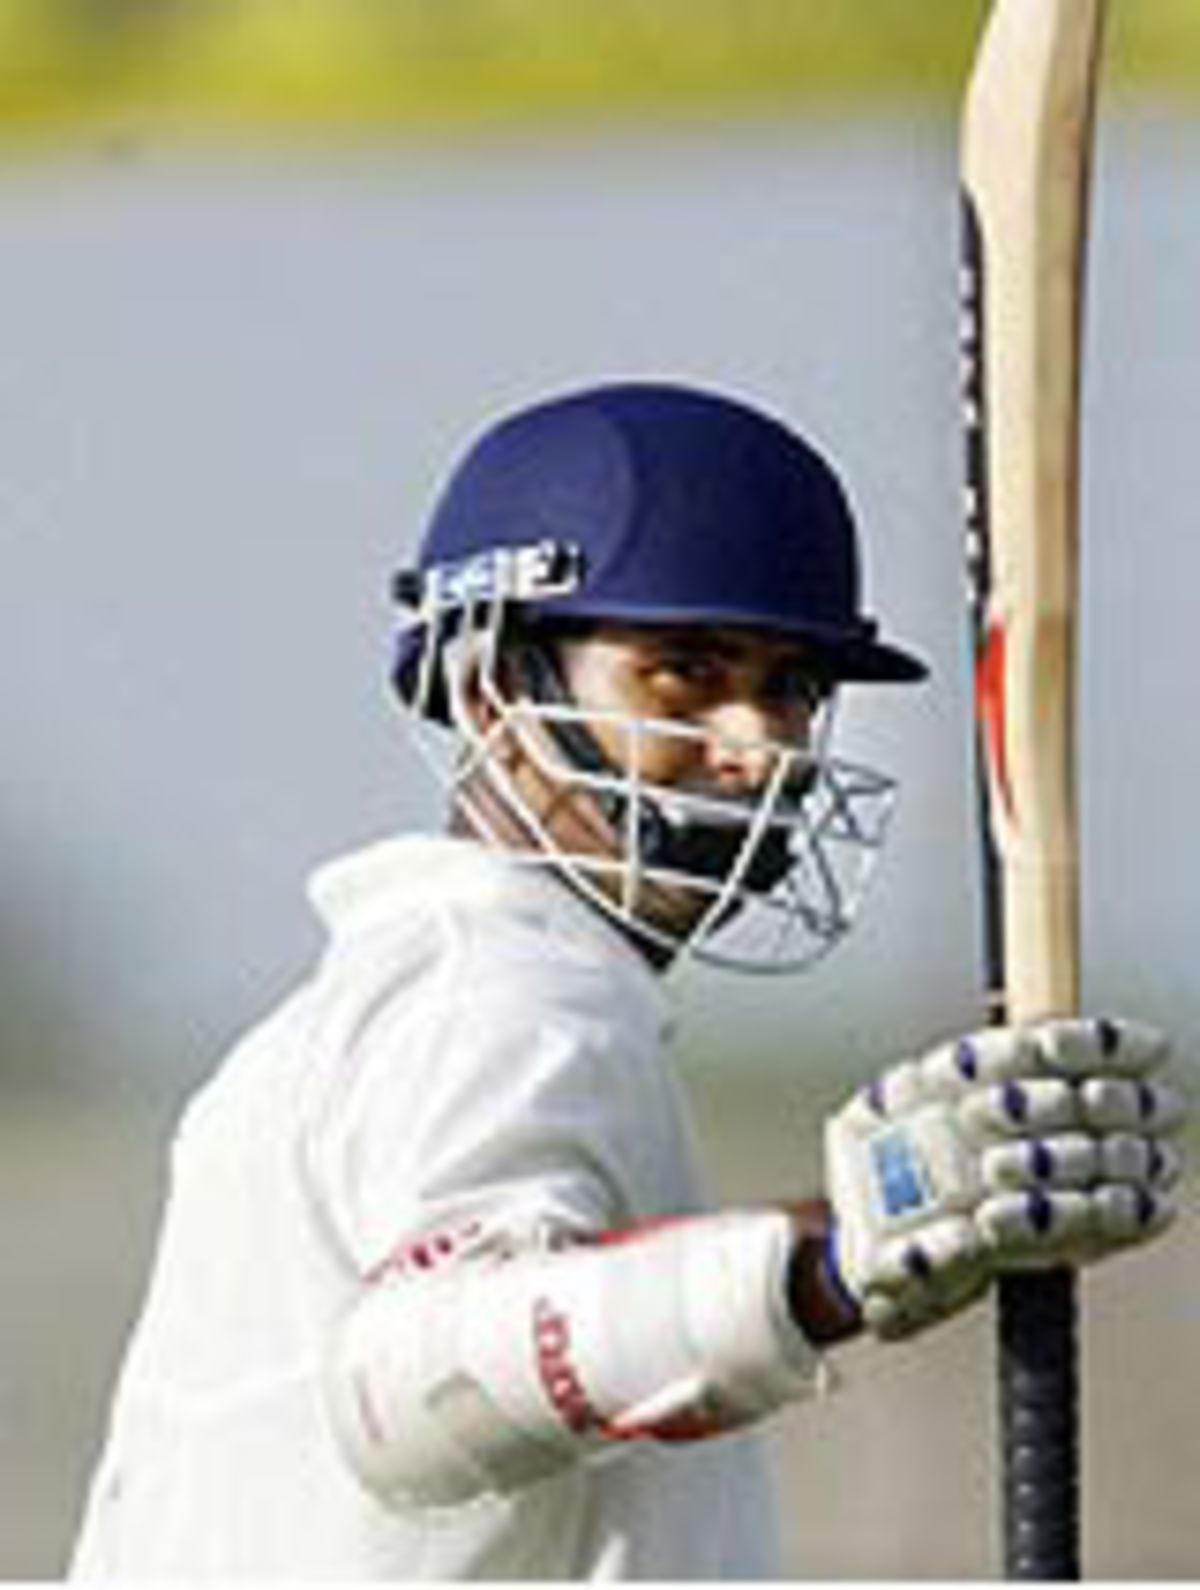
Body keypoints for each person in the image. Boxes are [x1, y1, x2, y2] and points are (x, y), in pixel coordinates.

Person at [70, 382, 1186, 1579]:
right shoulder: (504, 994)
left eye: (791, 687)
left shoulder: (367, 1016)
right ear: (492, 682)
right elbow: (414, 1384)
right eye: (685, 672)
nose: (754, 744)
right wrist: (846, 1251)